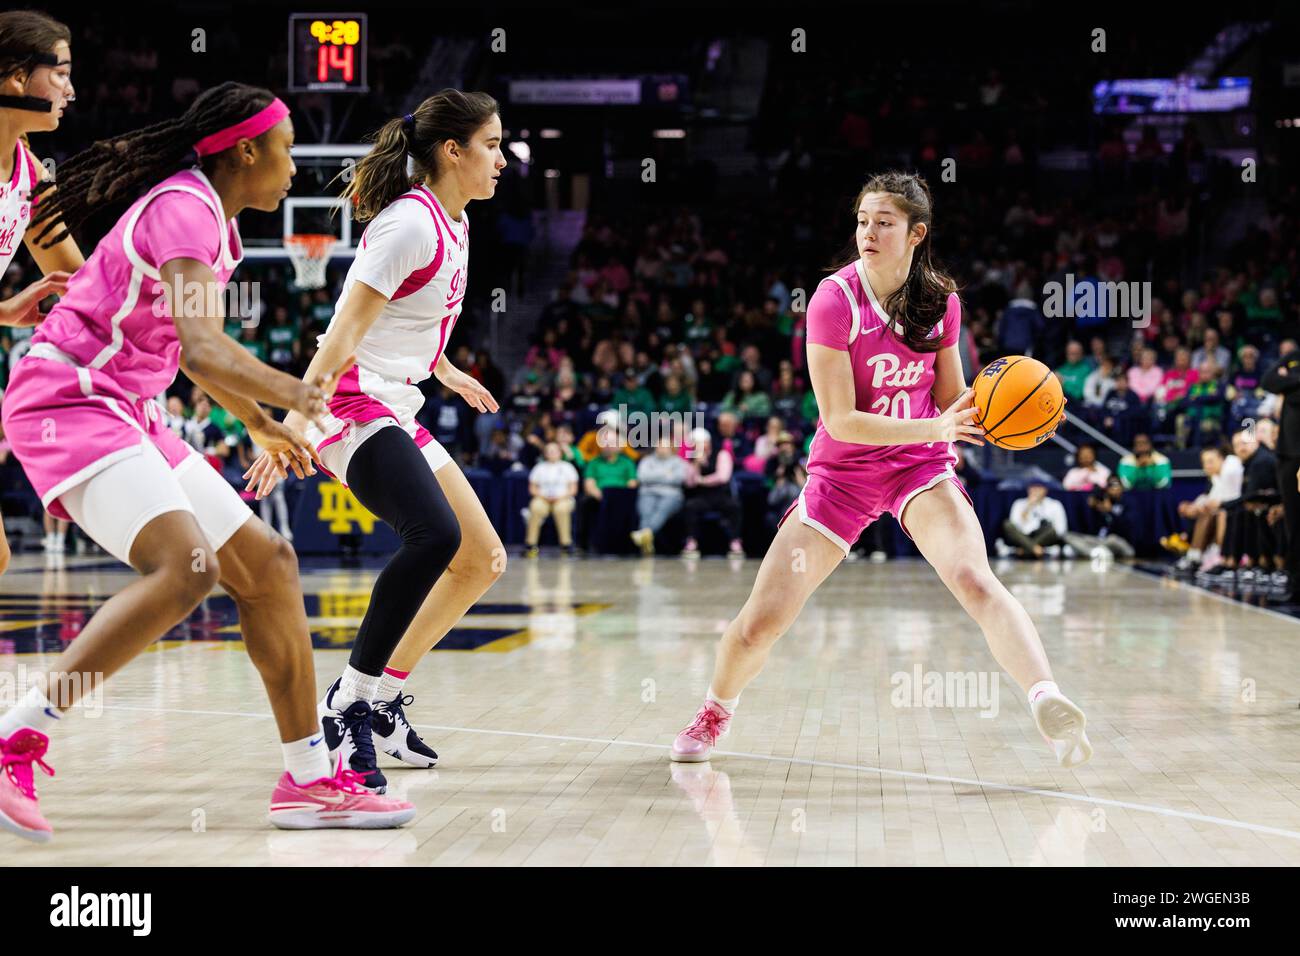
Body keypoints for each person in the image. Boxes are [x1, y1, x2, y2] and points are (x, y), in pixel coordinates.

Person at [0, 81, 414, 842]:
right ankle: (16, 734)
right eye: (286, 149)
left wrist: (257, 420)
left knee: (269, 566)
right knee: (187, 569)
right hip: (68, 399)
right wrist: (301, 393)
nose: (294, 166)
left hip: (129, 405)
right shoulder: (185, 208)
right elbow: (203, 346)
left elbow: (183, 353)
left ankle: (310, 780)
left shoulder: (214, 223)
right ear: (247, 149)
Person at [668, 171, 1090, 769]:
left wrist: (1002, 412)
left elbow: (951, 398)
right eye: (862, 221)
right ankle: (717, 707)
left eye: (883, 223)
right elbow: (840, 419)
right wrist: (936, 427)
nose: (867, 232)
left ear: (916, 234)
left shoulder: (941, 302)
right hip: (843, 475)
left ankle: (1049, 704)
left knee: (974, 578)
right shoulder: (833, 300)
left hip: (918, 466)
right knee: (759, 626)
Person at [246, 90, 508, 791]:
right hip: (351, 400)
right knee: (433, 536)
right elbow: (343, 333)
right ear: (452, 151)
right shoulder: (407, 226)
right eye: (492, 145)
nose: (503, 160)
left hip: (398, 399)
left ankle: (383, 695)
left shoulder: (456, 222)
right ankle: (349, 701)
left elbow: (420, 320)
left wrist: (446, 370)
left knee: (482, 560)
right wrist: (294, 424)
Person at [0, 11, 86, 573]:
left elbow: (83, 283)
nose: (71, 90)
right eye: (60, 73)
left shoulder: (30, 173)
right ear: (13, 78)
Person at [1171, 445, 1242, 573]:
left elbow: (1227, 501)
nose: (1207, 466)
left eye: (1210, 461)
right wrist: (1193, 506)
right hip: (1225, 511)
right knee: (1206, 512)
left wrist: (1201, 507)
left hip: (1238, 511)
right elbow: (1211, 499)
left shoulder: (1231, 469)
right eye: (1204, 462)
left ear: (1222, 459)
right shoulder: (1216, 477)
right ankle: (1194, 557)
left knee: (1214, 513)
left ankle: (1217, 556)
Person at [681, 427, 743, 556]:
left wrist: (702, 480)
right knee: (690, 507)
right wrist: (696, 465)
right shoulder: (691, 459)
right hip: (702, 497)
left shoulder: (722, 454)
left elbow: (723, 477)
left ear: (708, 442)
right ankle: (692, 541)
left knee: (734, 506)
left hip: (720, 495)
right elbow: (689, 483)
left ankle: (735, 541)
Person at [631, 435, 688, 555]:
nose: (661, 448)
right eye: (659, 446)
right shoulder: (646, 461)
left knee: (661, 511)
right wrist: (665, 474)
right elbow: (643, 477)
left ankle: (644, 535)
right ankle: (647, 541)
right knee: (645, 513)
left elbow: (678, 479)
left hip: (671, 494)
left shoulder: (678, 462)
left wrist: (655, 476)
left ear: (671, 448)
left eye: (664, 446)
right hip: (648, 492)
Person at [525, 440, 578, 556]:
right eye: (549, 451)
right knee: (535, 507)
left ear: (560, 453)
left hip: (563, 498)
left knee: (561, 509)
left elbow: (573, 489)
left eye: (554, 451)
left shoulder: (568, 467)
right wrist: (543, 496)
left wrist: (559, 497)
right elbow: (532, 488)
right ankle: (531, 544)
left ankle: (566, 544)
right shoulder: (539, 468)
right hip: (543, 498)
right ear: (545, 453)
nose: (552, 453)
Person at [1064, 476, 1135, 560]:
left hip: (1118, 542)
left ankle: (1093, 551)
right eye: (1110, 486)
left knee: (1113, 539)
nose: (1113, 488)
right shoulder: (1103, 501)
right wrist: (1093, 509)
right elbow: (1090, 529)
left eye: (1116, 485)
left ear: (1122, 487)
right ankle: (1094, 552)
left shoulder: (1128, 503)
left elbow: (1127, 529)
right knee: (1067, 536)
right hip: (1099, 541)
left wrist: (1110, 511)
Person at [1001, 481, 1069, 559]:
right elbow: (1014, 526)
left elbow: (1061, 529)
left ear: (1045, 490)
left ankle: (1026, 550)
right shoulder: (1019, 503)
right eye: (1033, 487)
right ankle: (1035, 549)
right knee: (1007, 524)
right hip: (1023, 537)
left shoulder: (1055, 504)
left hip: (1043, 537)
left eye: (1038, 487)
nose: (1035, 491)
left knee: (1052, 530)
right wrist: (1027, 508)